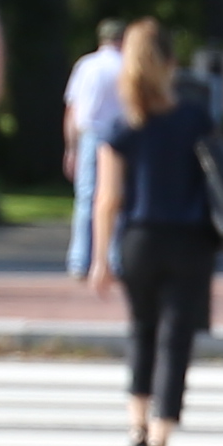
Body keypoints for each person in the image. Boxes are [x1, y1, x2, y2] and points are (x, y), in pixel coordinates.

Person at [94, 17, 222, 446]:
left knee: (141, 331)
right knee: (176, 338)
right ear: (171, 63)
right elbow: (217, 178)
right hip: (189, 241)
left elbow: (108, 198)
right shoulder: (196, 118)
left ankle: (136, 425)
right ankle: (161, 437)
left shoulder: (121, 126)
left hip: (139, 239)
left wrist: (99, 259)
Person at [60, 16, 128, 279]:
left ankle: (80, 259)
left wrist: (70, 148)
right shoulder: (126, 66)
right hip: (120, 134)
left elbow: (73, 109)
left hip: (90, 133)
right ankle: (114, 259)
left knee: (86, 198)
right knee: (116, 197)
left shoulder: (85, 66)